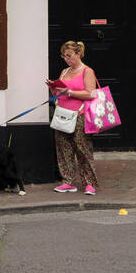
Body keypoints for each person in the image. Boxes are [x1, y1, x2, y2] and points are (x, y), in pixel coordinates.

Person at [48, 40, 98, 195]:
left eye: (69, 55)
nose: (66, 59)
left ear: (78, 53)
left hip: (80, 115)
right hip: (62, 114)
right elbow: (57, 94)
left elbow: (90, 94)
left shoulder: (87, 71)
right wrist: (53, 88)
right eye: (64, 56)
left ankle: (89, 183)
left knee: (83, 149)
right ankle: (67, 181)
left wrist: (68, 91)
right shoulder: (64, 71)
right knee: (63, 150)